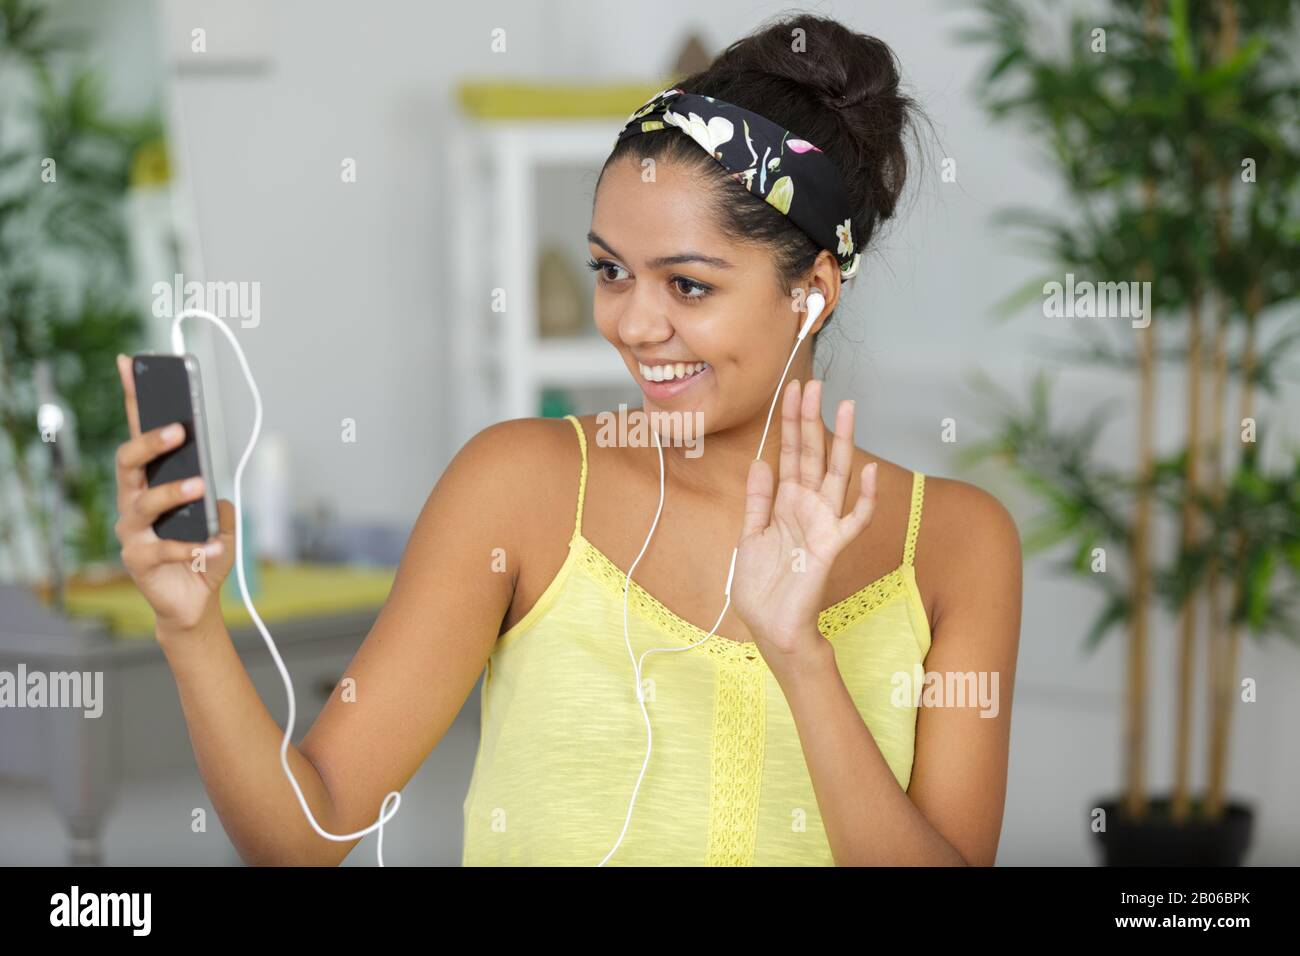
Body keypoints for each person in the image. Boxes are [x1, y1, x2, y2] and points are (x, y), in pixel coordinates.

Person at [113, 13, 1021, 866]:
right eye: (610, 271)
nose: (633, 323)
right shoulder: (521, 487)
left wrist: (802, 661)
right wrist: (189, 627)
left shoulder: (956, 546)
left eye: (689, 286)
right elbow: (305, 835)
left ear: (813, 290)